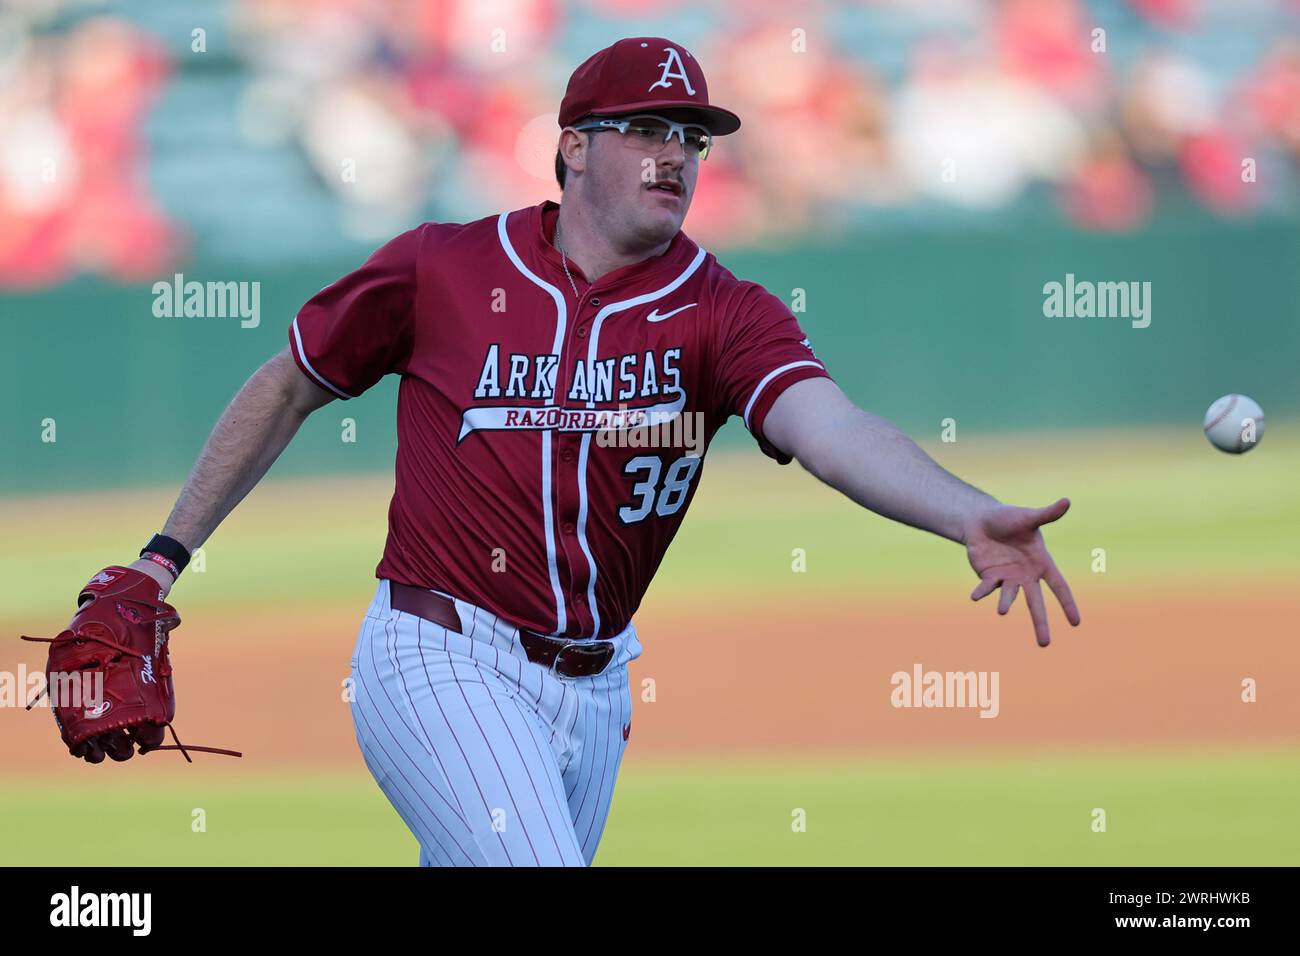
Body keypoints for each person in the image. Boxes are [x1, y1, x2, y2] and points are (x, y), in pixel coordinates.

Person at [53, 37, 1080, 865]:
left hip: (594, 688)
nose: (674, 152)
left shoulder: (721, 311)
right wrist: (161, 555)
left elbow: (833, 428)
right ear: (573, 147)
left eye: (691, 135)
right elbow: (289, 382)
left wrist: (962, 510)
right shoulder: (447, 266)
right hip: (439, 651)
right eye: (645, 128)